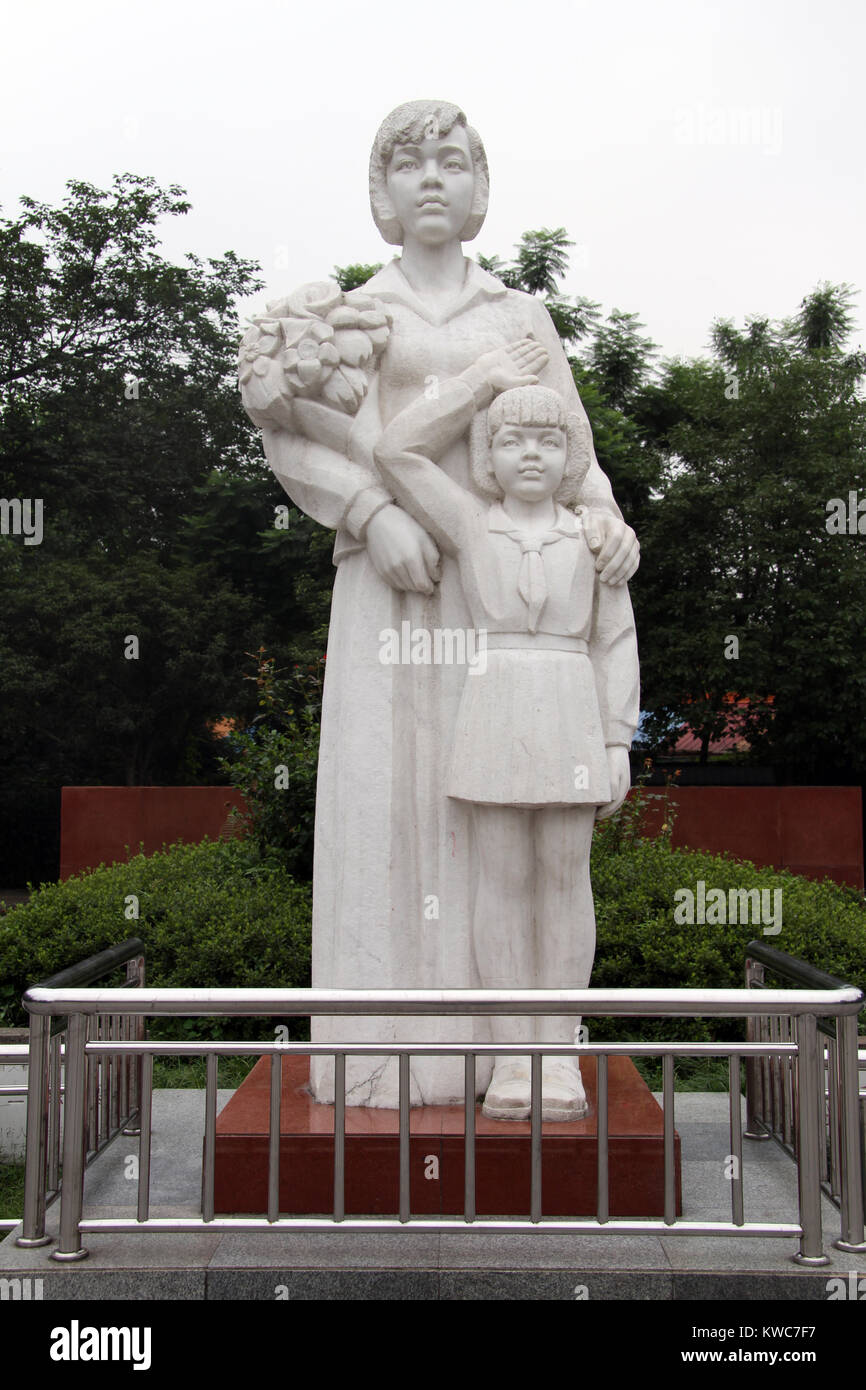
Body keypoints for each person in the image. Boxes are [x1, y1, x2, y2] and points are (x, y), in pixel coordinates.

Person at [259, 100, 641, 1107]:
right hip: (390, 590)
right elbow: (294, 440)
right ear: (378, 195)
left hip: (502, 606)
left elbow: (573, 450)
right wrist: (371, 509)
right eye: (408, 165)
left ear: (480, 190)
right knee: (389, 799)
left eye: (452, 162)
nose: (431, 179)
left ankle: (513, 1046)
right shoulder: (348, 315)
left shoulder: (518, 319)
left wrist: (605, 520)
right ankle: (389, 1048)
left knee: (497, 834)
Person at [373, 342, 639, 1118]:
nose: (531, 453)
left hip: (569, 707)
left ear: (571, 457)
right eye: (512, 439)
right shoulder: (469, 521)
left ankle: (557, 1050)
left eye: (549, 441)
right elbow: (397, 449)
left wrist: (619, 739)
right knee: (501, 882)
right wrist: (479, 382)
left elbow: (614, 641)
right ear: (487, 454)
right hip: (492, 705)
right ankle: (514, 1056)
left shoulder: (594, 537)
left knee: (564, 876)